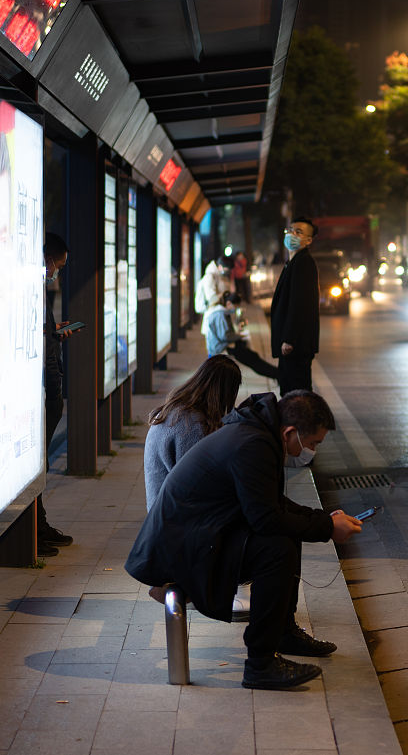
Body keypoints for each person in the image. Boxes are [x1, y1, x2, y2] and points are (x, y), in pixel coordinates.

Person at [125, 390, 363, 690]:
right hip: (179, 551)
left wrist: (324, 519)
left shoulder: (258, 432)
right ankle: (261, 664)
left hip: (201, 534)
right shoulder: (253, 444)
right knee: (276, 549)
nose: (312, 450)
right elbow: (266, 519)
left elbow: (272, 505)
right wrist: (328, 529)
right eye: (313, 443)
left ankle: (283, 633)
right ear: (290, 432)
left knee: (288, 533)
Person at [143, 354, 243, 511]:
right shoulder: (190, 425)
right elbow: (197, 481)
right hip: (173, 519)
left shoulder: (176, 409)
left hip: (160, 510)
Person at [40, 232, 75, 557]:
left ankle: (39, 523)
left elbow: (46, 336)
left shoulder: (40, 290)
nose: (56, 272)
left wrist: (60, 332)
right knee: (38, 461)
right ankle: (34, 528)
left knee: (42, 462)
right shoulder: (32, 288)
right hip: (44, 389)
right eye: (58, 265)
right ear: (48, 258)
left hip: (51, 387)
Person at [270, 219, 320, 395]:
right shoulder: (293, 261)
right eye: (291, 230)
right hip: (292, 342)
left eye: (299, 232)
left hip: (296, 344)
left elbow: (300, 303)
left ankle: (302, 421)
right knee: (289, 388)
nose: (292, 234)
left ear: (308, 240)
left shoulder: (303, 263)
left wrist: (289, 338)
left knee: (297, 390)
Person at [203, 291, 280, 380]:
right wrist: (240, 336)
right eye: (235, 306)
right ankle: (277, 374)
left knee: (252, 357)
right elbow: (225, 336)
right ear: (228, 304)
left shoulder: (221, 312)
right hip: (221, 348)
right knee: (252, 359)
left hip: (225, 345)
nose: (236, 309)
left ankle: (276, 373)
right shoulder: (220, 314)